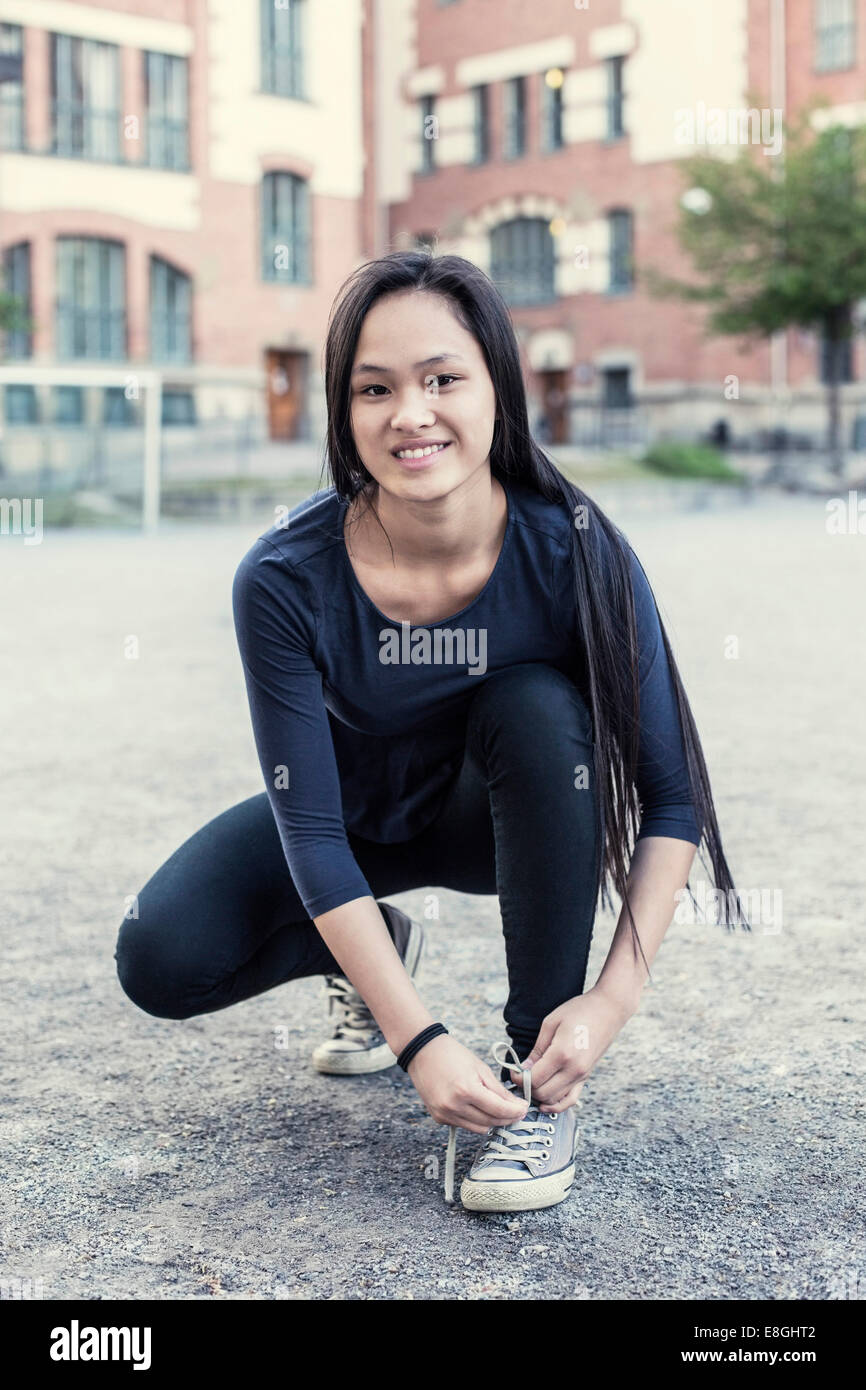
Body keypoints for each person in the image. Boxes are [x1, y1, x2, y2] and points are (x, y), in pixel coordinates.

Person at [115, 251, 748, 1213]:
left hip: (507, 818)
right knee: (159, 960)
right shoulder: (283, 578)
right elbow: (314, 836)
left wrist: (607, 1005)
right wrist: (416, 1039)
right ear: (346, 410)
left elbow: (670, 801)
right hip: (357, 823)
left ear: (498, 386)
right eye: (376, 389)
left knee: (534, 704)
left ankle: (535, 1082)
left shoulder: (578, 549)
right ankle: (372, 957)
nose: (410, 414)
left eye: (443, 378)